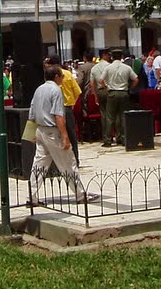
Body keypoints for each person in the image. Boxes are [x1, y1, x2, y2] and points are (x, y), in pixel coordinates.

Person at [27, 65, 98, 207]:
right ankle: (80, 194)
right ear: (57, 77)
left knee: (39, 165)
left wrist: (30, 135)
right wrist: (65, 136)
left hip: (40, 130)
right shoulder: (56, 90)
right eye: (62, 76)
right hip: (53, 131)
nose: (63, 78)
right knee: (68, 163)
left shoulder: (38, 90)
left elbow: (32, 112)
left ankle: (32, 196)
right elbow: (58, 115)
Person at [47, 55, 82, 166]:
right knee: (72, 135)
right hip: (67, 108)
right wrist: (72, 103)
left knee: (57, 135)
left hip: (55, 109)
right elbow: (77, 92)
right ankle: (75, 159)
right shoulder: (67, 74)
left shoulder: (51, 76)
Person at [102, 50, 138, 147]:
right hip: (123, 93)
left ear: (112, 57)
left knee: (110, 117)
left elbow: (101, 80)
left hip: (112, 92)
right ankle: (123, 138)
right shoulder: (127, 68)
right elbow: (136, 79)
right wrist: (130, 88)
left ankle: (108, 140)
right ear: (121, 56)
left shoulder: (108, 68)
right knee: (123, 116)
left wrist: (106, 88)